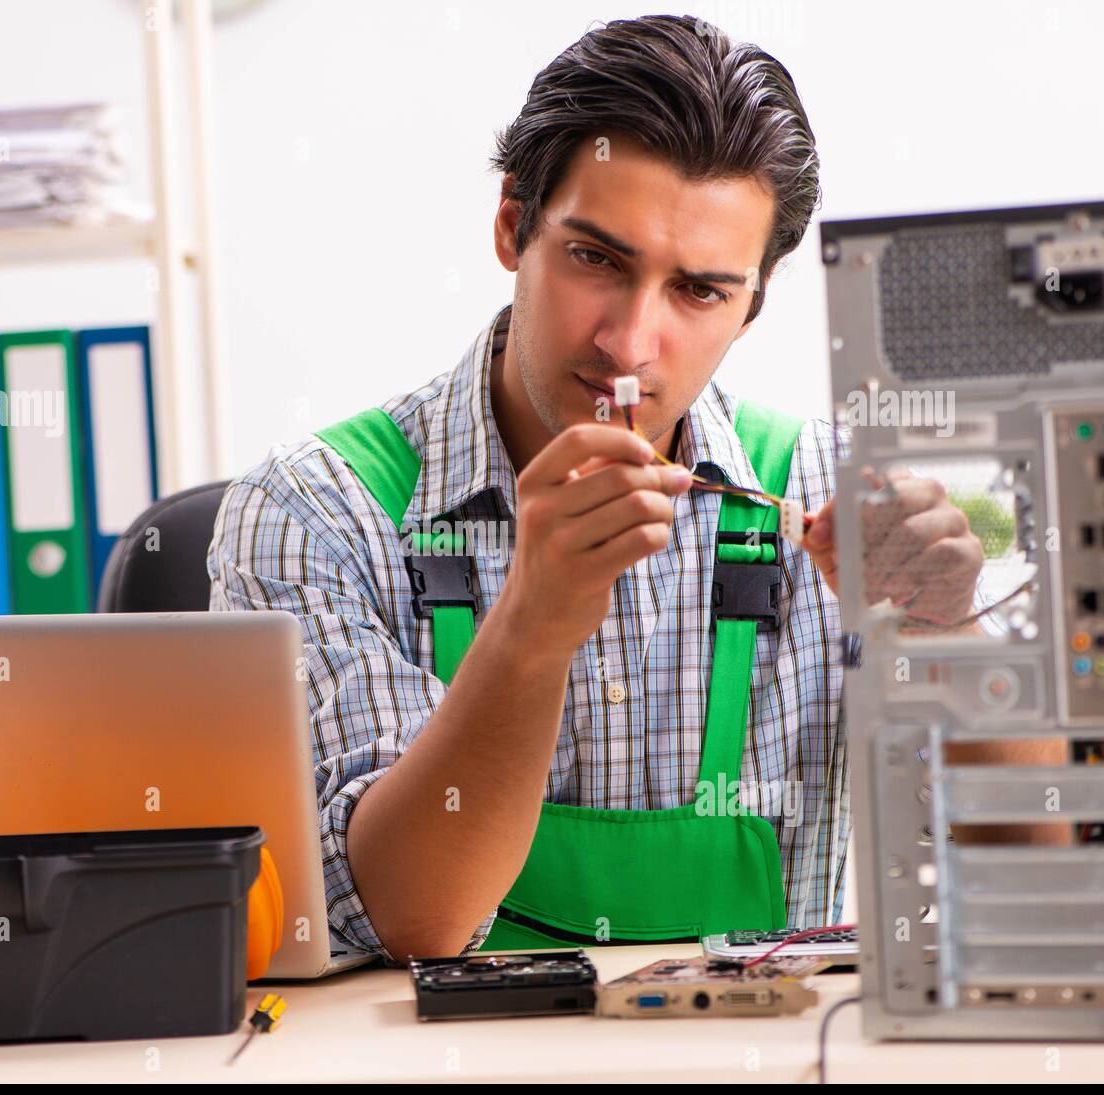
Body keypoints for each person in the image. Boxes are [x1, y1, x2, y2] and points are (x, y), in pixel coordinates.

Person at [208, 14, 1065, 963]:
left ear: (752, 308)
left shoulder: (836, 491)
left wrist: (951, 633)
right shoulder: (316, 514)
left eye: (697, 290)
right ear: (511, 226)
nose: (628, 342)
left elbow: (1035, 884)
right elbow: (413, 916)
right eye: (596, 258)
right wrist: (531, 625)